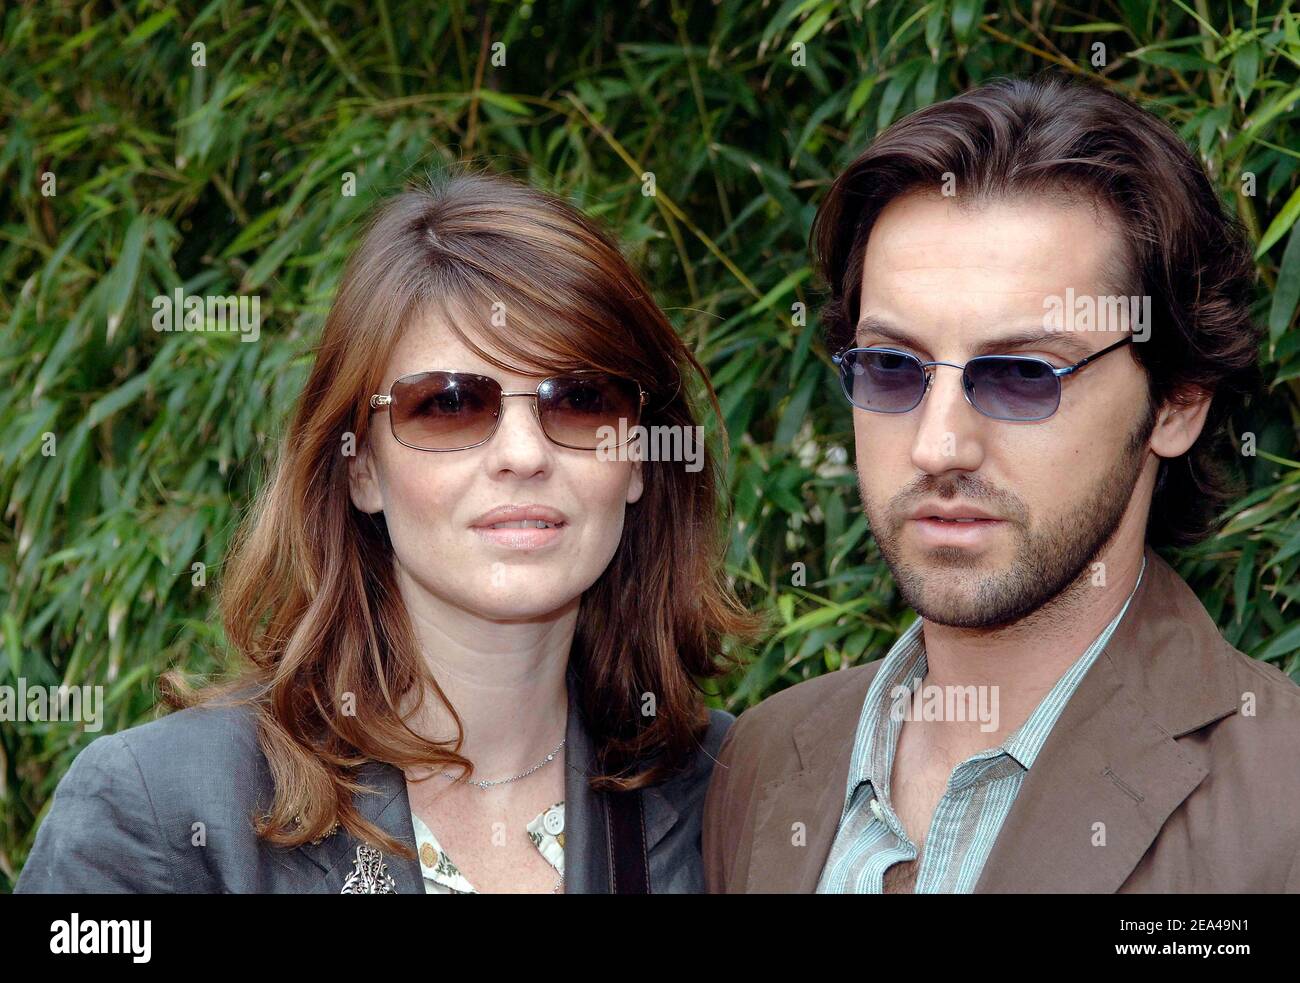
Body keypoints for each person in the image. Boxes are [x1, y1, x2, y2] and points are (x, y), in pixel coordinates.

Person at [18, 169, 756, 894]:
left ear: (636, 457)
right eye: (450, 404)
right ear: (360, 464)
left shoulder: (739, 794)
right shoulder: (161, 817)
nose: (525, 455)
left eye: (581, 399)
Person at [703, 74, 1300, 893]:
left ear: (1176, 403)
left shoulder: (1279, 802)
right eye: (890, 366)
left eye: (1023, 374)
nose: (938, 444)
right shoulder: (762, 760)